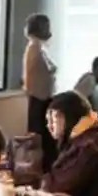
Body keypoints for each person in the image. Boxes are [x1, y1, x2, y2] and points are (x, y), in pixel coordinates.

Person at [23, 13, 58, 170]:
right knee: (42, 139)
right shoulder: (35, 48)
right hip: (40, 99)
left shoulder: (39, 47)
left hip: (42, 98)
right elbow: (39, 72)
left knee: (45, 138)